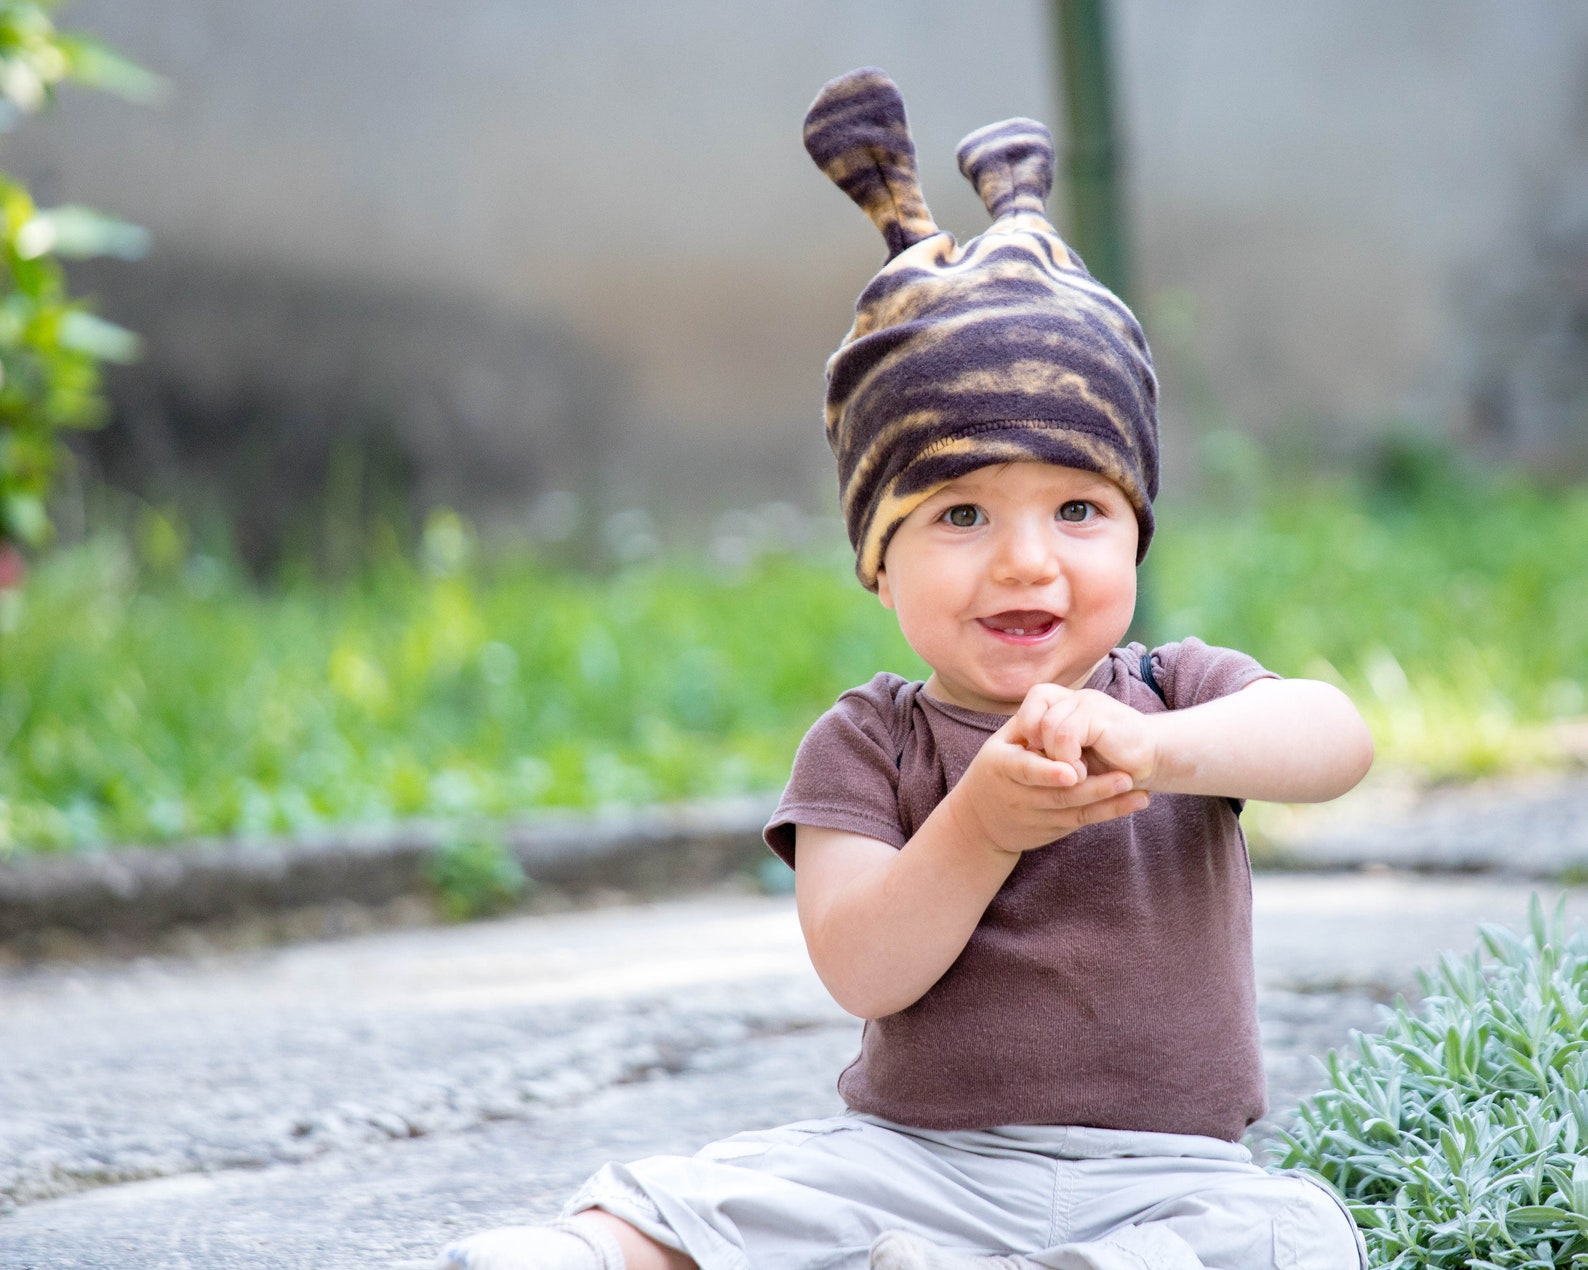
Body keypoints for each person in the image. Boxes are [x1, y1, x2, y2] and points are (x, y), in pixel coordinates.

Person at [435, 67, 1374, 1270]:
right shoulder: (868, 743)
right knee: (720, 1196)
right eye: (961, 516)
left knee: (1286, 1236)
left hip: (1166, 1180)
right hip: (920, 1163)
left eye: (1079, 507)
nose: (1025, 562)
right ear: (878, 562)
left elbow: (1335, 738)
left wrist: (1166, 750)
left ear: (1139, 529)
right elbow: (864, 962)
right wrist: (980, 823)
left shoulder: (1174, 692)